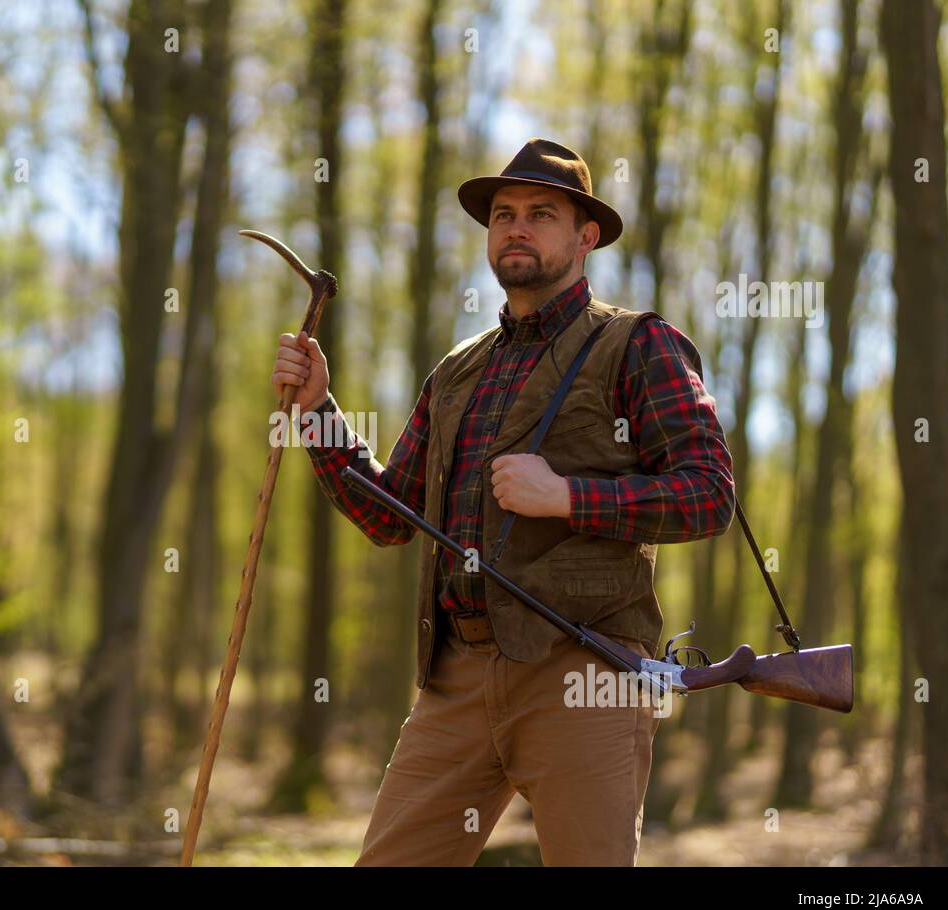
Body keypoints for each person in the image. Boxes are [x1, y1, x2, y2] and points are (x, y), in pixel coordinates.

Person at [271, 138, 736, 866]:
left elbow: (709, 494)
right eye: (504, 215)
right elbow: (390, 514)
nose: (516, 227)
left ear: (585, 237)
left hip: (586, 675)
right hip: (453, 678)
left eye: (541, 214)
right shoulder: (456, 372)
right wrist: (318, 409)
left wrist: (567, 498)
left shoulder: (638, 344)